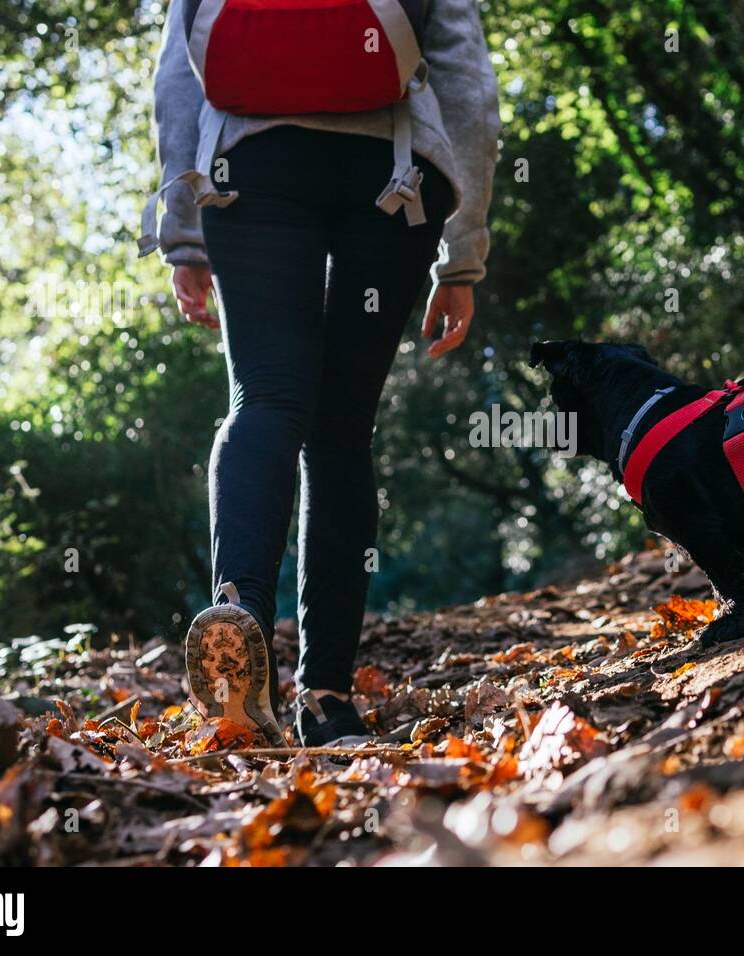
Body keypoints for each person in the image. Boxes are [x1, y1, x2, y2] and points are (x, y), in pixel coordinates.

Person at [147, 0, 499, 746]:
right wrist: (461, 255)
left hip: (251, 165)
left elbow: (179, 71)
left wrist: (183, 234)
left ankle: (235, 618)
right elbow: (466, 82)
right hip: (392, 172)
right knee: (339, 433)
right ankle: (327, 695)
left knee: (266, 401)